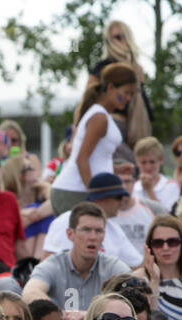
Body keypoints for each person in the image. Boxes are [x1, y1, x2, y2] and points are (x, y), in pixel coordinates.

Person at [23, 201, 132, 315]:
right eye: (86, 230)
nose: (93, 237)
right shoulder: (54, 264)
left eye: (99, 231)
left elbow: (136, 293)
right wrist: (58, 316)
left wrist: (88, 317)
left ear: (104, 236)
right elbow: (30, 292)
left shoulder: (113, 267)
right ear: (70, 234)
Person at [56, 67, 135, 216]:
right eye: (126, 92)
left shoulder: (101, 114)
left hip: (78, 190)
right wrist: (94, 196)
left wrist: (115, 169)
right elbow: (81, 159)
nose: (128, 98)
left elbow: (93, 158)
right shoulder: (99, 117)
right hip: (74, 191)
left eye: (131, 94)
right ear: (111, 87)